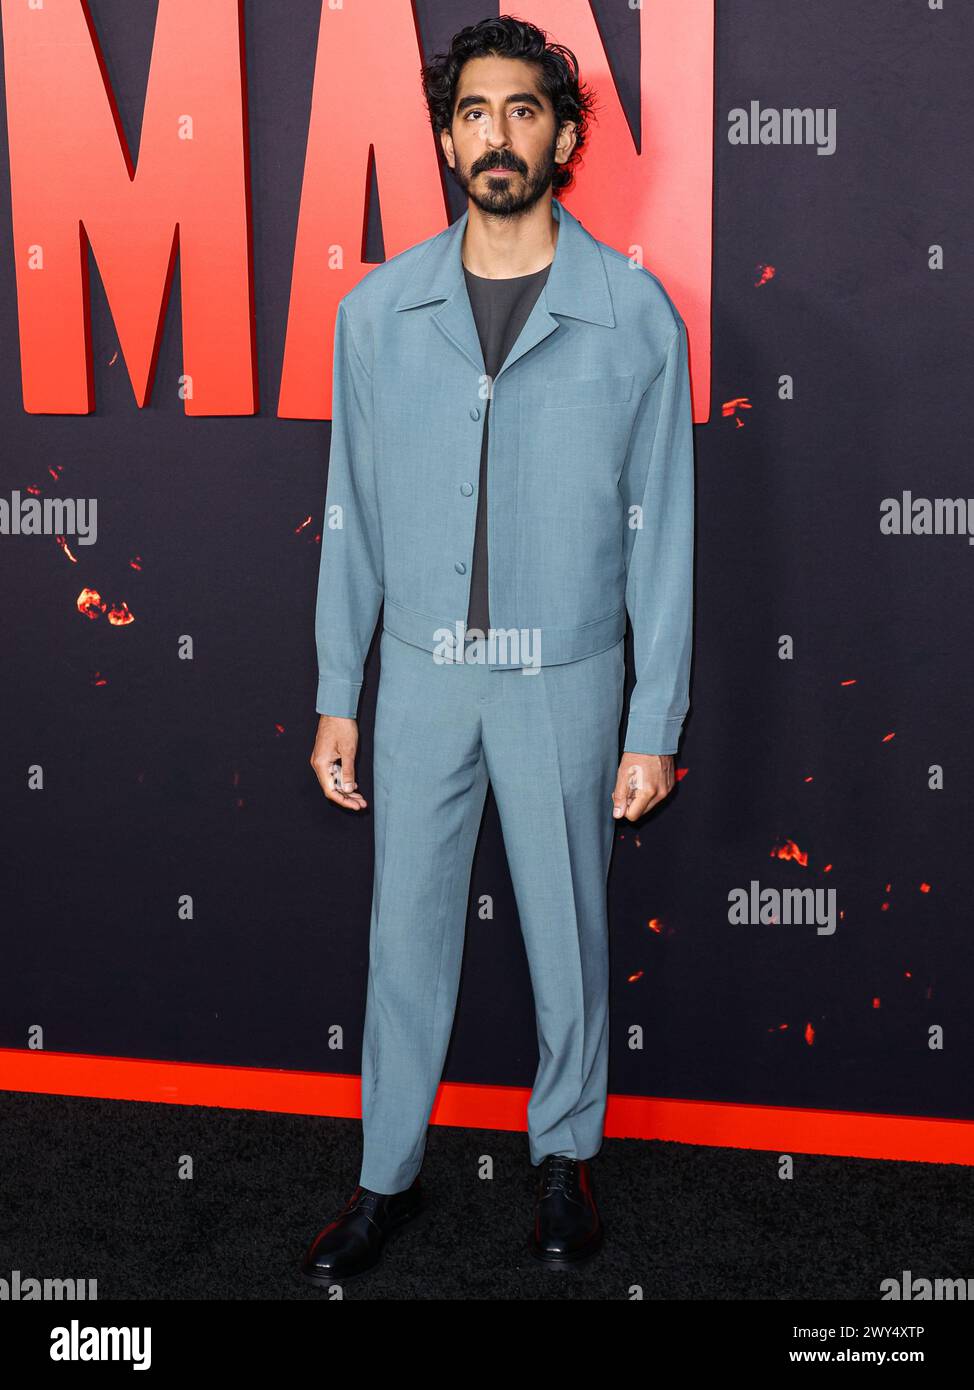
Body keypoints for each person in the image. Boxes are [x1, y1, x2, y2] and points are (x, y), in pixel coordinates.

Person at [301, 14, 695, 1287]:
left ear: (564, 134)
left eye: (522, 110)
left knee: (568, 933)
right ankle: (383, 1178)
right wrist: (334, 690)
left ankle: (562, 1163)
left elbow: (665, 542)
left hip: (566, 678)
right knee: (401, 932)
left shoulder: (632, 318)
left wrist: (653, 722)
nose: (495, 135)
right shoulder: (374, 315)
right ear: (443, 133)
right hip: (417, 676)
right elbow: (348, 519)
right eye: (472, 111)